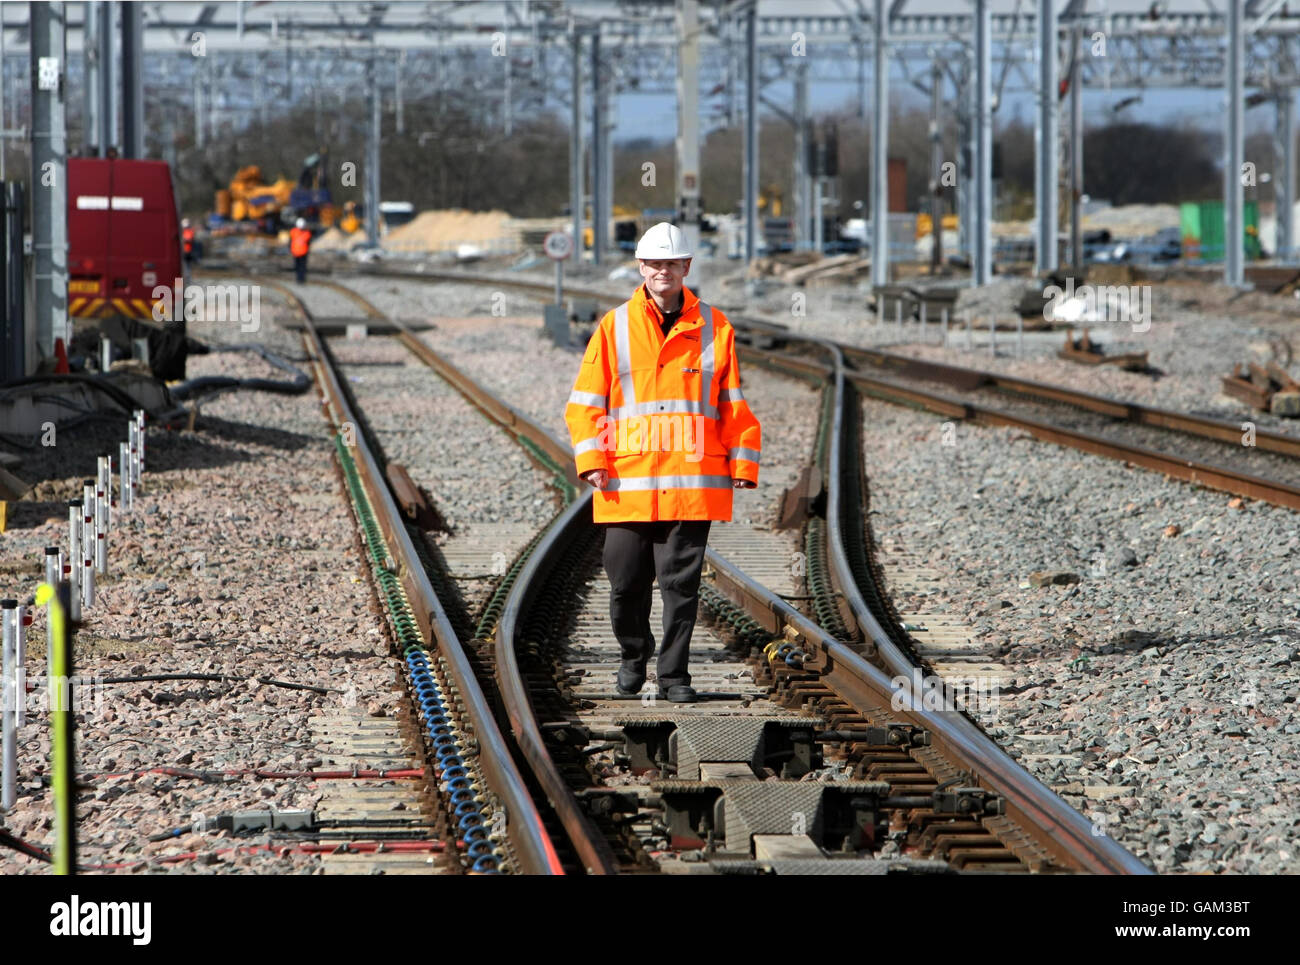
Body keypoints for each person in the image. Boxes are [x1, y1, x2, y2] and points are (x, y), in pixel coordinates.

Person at [565, 222, 761, 703]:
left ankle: (674, 676)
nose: (662, 271)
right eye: (654, 263)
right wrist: (592, 458)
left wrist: (742, 462)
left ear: (686, 267)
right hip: (625, 482)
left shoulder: (716, 327)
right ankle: (634, 656)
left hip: (691, 486)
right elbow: (585, 404)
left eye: (671, 263)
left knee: (680, 588)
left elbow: (732, 403)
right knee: (626, 584)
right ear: (640, 267)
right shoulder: (613, 327)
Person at [290, 218, 312, 283]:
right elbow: (308, 243)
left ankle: (299, 279)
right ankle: (301, 279)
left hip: (296, 252)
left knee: (298, 266)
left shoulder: (293, 232)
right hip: (303, 252)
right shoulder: (307, 233)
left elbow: (290, 241)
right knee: (302, 267)